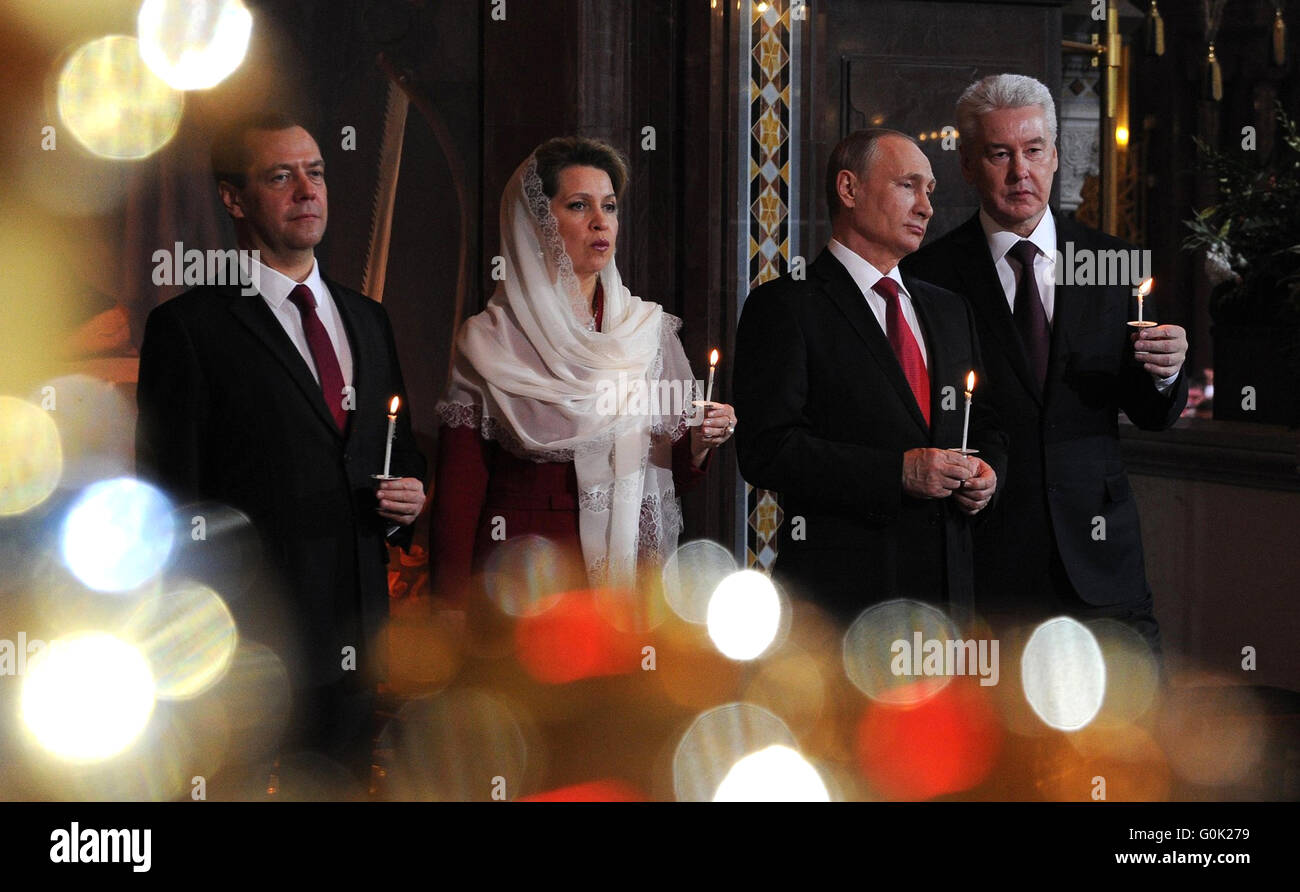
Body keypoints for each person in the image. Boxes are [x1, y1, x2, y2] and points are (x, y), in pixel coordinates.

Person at [135, 112, 427, 777]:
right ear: (233, 197)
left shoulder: (367, 317)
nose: (307, 190)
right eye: (280, 175)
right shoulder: (187, 329)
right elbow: (170, 502)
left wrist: (411, 496)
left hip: (358, 640)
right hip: (250, 650)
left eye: (316, 171)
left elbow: (397, 452)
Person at [902, 74, 1188, 648]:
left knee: (1126, 735)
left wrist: (1168, 370)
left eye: (1034, 151)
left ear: (1056, 156)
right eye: (1000, 154)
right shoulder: (927, 275)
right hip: (984, 561)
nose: (1020, 172)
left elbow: (1154, 414)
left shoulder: (1114, 264)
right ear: (967, 164)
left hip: (1103, 564)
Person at [430, 136, 735, 602]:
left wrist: (698, 443)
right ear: (537, 221)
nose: (600, 222)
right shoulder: (490, 339)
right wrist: (448, 610)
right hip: (520, 573)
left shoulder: (646, 330)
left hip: (624, 575)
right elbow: (460, 491)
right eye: (578, 205)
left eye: (610, 207)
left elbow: (671, 466)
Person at [734, 129, 1005, 624]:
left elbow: (984, 423)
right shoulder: (786, 306)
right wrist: (896, 472)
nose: (926, 207)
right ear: (849, 189)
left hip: (950, 597)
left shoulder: (948, 310)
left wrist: (989, 475)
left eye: (931, 192)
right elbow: (766, 450)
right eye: (908, 185)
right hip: (843, 601)